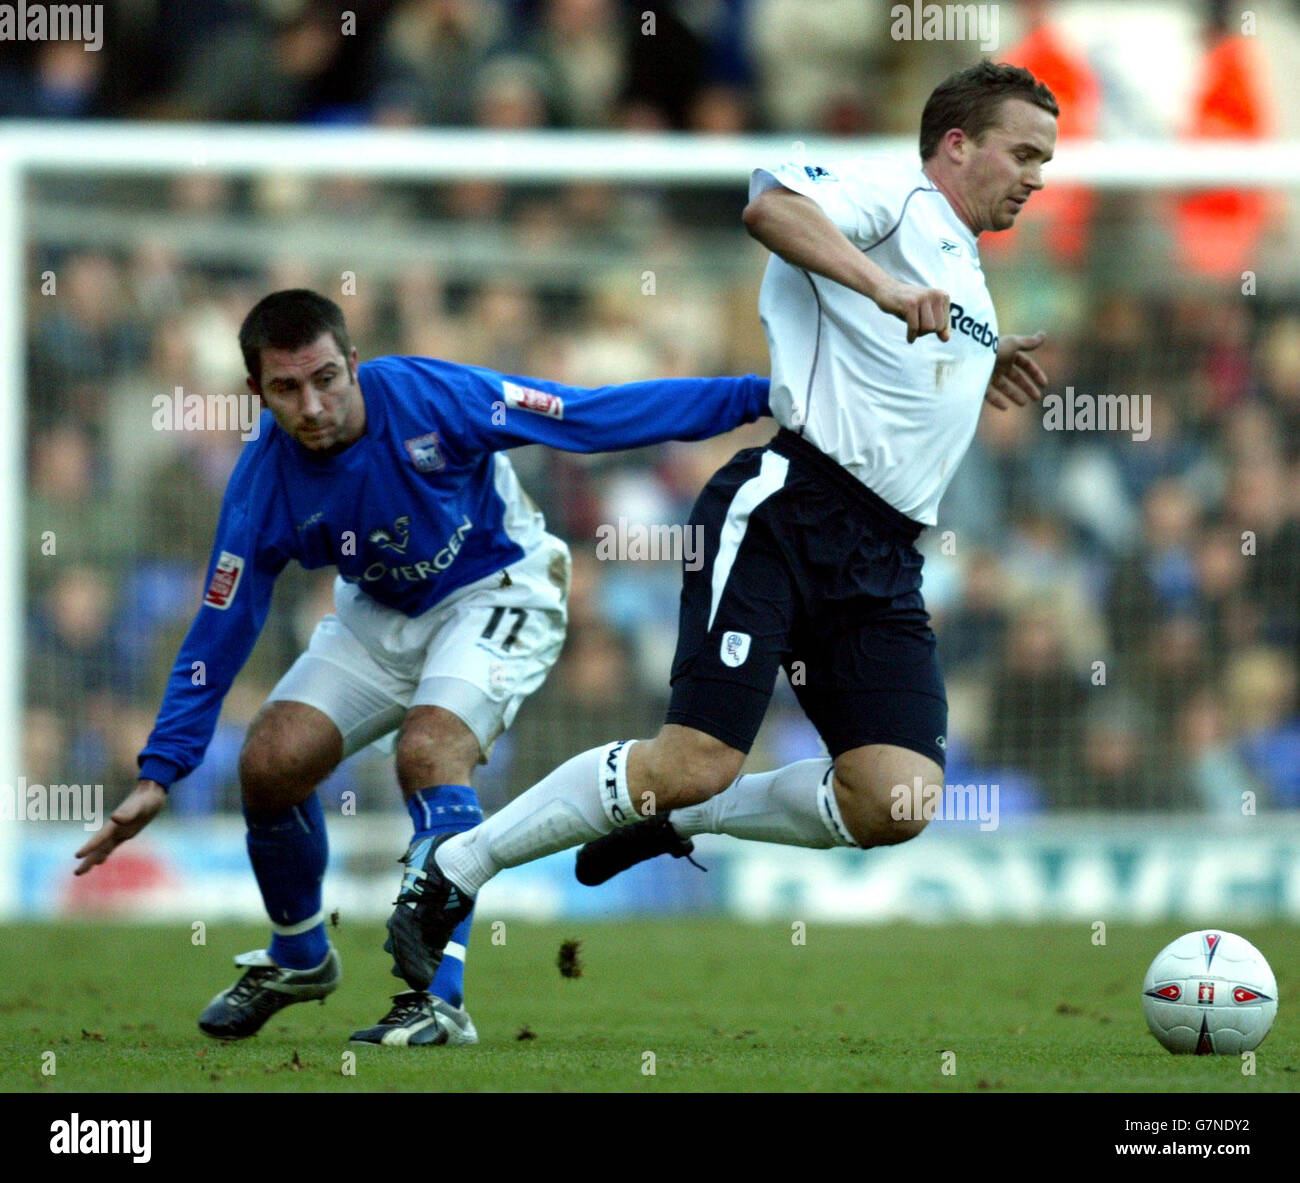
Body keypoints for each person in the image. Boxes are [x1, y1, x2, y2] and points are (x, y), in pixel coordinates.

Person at [378, 61, 1060, 1009]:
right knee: (693, 756)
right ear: (958, 145)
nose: (1036, 176)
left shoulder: (963, 266)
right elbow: (771, 207)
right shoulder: (892, 199)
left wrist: (980, 360)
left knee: (896, 798)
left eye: (1045, 160)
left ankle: (687, 819)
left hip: (883, 556)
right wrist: (880, 287)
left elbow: (908, 357)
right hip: (789, 509)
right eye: (1023, 153)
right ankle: (460, 862)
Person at [73, 288, 770, 1046]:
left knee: (430, 751)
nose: (312, 404)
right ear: (257, 393)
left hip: (498, 588)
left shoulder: (435, 397)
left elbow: (587, 416)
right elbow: (221, 628)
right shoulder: (259, 486)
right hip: (377, 614)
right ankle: (300, 955)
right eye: (286, 388)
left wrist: (754, 396)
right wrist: (160, 770)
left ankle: (439, 1002)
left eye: (326, 378)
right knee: (269, 759)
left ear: (353, 364)